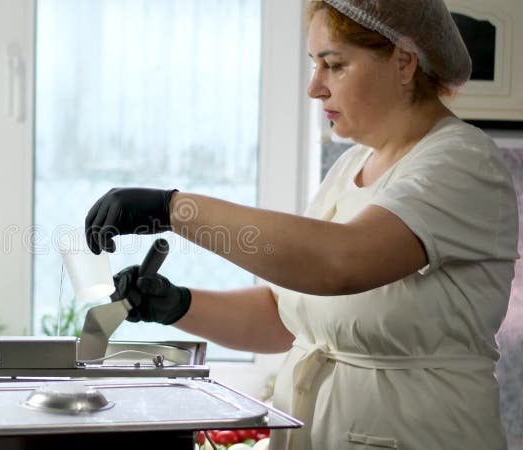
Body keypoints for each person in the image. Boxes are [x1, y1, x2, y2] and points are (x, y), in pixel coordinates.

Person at [84, 1, 519, 449]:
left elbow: (338, 262)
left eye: (334, 65)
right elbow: (289, 317)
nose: (315, 88)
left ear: (404, 62)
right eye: (315, 65)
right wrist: (177, 305)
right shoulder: (352, 165)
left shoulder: (463, 162)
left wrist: (174, 210)